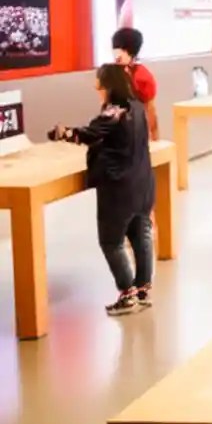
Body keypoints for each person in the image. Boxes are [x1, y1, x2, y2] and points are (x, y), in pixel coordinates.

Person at [51, 64, 155, 316]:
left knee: (112, 241)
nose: (96, 89)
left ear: (108, 87)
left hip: (119, 187)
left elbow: (88, 134)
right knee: (141, 236)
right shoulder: (139, 107)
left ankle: (127, 294)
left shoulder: (114, 111)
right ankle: (142, 290)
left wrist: (63, 132)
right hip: (142, 183)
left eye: (98, 84)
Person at [111, 28, 159, 141]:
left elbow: (150, 110)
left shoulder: (143, 77)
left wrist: (155, 138)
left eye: (122, 49)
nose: (117, 53)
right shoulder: (110, 72)